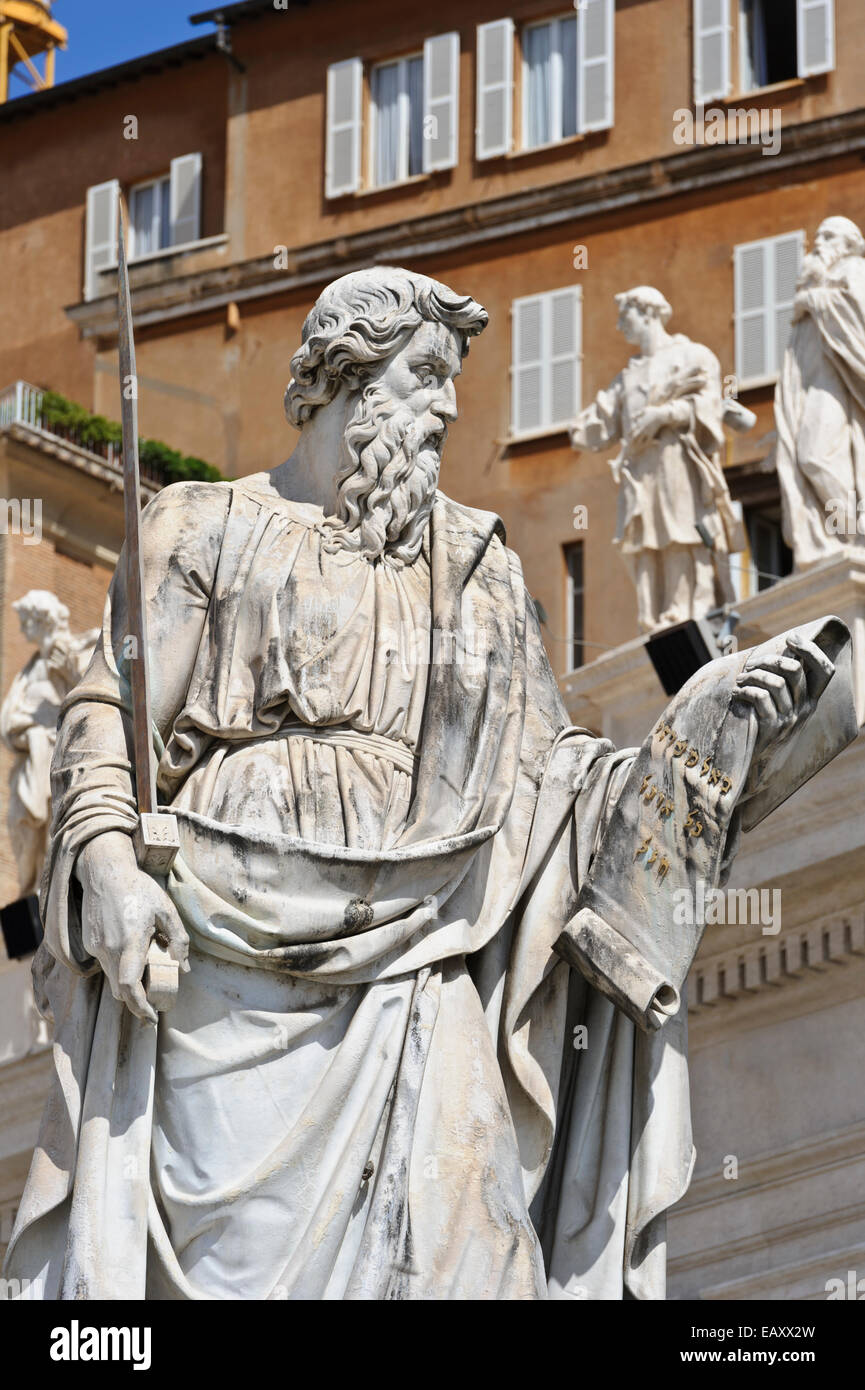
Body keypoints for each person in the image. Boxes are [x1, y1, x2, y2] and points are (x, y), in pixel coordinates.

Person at [4, 268, 831, 1301]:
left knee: (475, 1232)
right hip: (227, 957)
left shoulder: (471, 566)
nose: (448, 405)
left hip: (424, 941)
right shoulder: (202, 527)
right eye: (428, 374)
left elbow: (550, 781)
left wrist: (708, 725)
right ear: (347, 379)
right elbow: (107, 713)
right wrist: (116, 870)